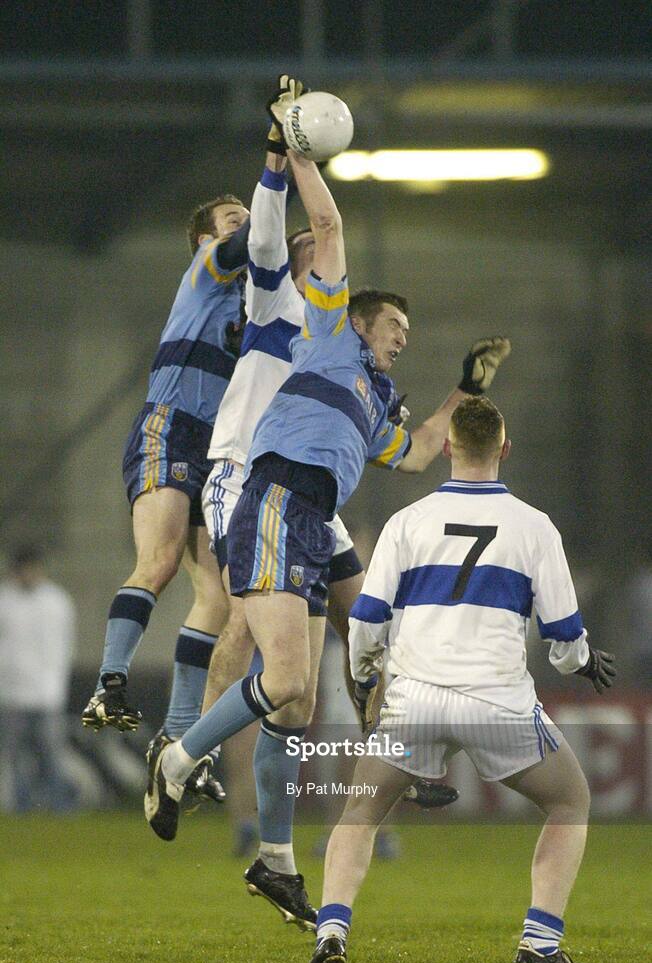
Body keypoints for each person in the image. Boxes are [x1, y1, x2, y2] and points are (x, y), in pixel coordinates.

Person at [145, 107, 511, 907]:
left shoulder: (373, 394)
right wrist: (295, 151)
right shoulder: (317, 322)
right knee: (268, 658)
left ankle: (278, 857)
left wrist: (466, 389)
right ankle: (180, 752)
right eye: (395, 325)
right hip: (265, 487)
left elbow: (417, 454)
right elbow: (324, 226)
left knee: (325, 676)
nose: (403, 337)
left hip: (312, 515)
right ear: (355, 319)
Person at [304, 396, 616, 963]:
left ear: (447, 447)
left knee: (361, 811)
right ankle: (539, 945)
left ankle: (330, 932)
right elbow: (563, 632)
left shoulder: (407, 522)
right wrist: (580, 661)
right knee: (570, 801)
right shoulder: (534, 526)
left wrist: (367, 676)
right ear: (504, 449)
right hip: (496, 702)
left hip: (415, 698)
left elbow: (366, 620)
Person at [81, 185, 250, 806]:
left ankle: (174, 739)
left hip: (218, 450)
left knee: (220, 599)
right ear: (205, 238)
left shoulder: (254, 302)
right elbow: (248, 244)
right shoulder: (207, 270)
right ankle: (108, 685)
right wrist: (279, 179)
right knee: (158, 561)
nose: (244, 224)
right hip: (170, 426)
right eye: (232, 219)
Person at [0, 545, 77, 812]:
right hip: (11, 692)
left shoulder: (56, 601)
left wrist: (58, 683)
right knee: (15, 754)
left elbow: (64, 646)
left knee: (51, 753)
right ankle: (21, 805)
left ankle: (58, 804)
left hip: (47, 691)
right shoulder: (5, 600)